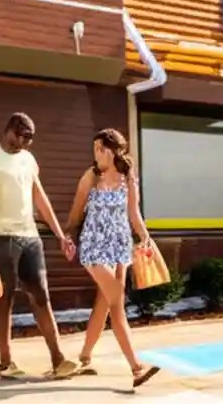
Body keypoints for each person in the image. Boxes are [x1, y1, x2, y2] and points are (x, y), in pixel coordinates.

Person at [0, 113, 79, 380]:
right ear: (8, 130)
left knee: (41, 295)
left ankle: (58, 359)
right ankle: (6, 362)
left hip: (29, 236)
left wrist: (59, 234)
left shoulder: (28, 160)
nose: (22, 143)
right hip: (1, 236)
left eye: (28, 139)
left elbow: (39, 197)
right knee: (3, 299)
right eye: (19, 136)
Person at [63, 128, 160, 389]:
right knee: (117, 303)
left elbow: (134, 214)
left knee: (105, 303)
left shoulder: (128, 178)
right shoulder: (90, 177)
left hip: (120, 247)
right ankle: (137, 368)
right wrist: (67, 237)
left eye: (101, 148)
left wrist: (145, 236)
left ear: (115, 151)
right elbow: (74, 215)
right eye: (94, 148)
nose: (97, 153)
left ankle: (84, 356)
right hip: (94, 247)